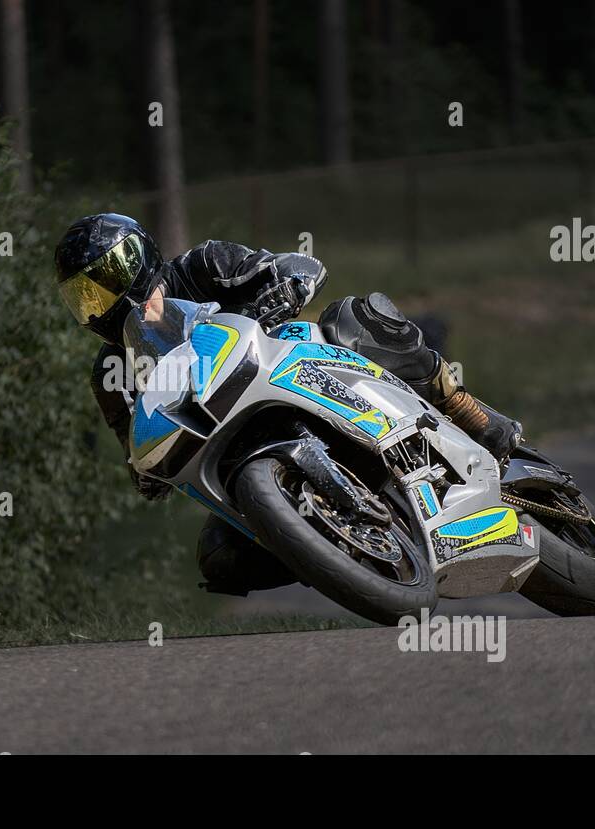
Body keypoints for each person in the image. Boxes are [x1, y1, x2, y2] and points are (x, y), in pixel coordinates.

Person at [53, 212, 522, 596]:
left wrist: (283, 289)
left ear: (139, 257)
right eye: (85, 296)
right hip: (233, 446)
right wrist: (146, 472)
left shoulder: (201, 265)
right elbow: (136, 453)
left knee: (358, 317)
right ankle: (331, 549)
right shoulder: (110, 374)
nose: (101, 302)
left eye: (108, 280)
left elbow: (299, 267)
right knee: (220, 558)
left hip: (294, 364)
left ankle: (468, 412)